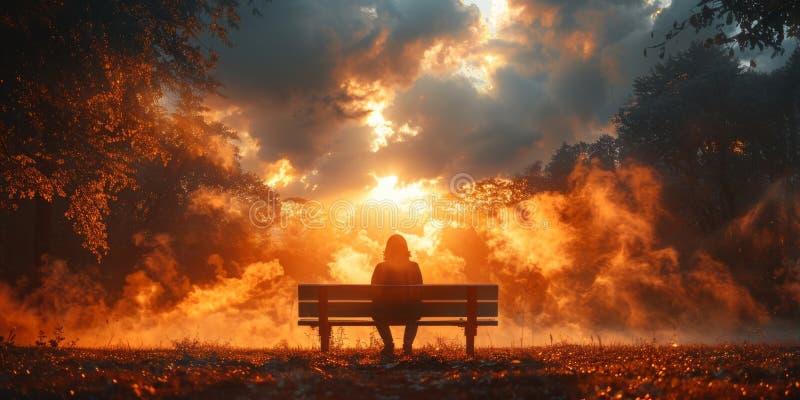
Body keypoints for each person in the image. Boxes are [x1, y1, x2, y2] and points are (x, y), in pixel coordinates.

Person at [371, 234, 422, 356]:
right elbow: (420, 290)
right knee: (415, 313)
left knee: (376, 312)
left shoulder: (380, 267)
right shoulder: (414, 267)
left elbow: (373, 292)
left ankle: (388, 344)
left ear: (387, 249)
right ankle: (407, 345)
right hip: (409, 312)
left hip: (385, 312)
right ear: (405, 248)